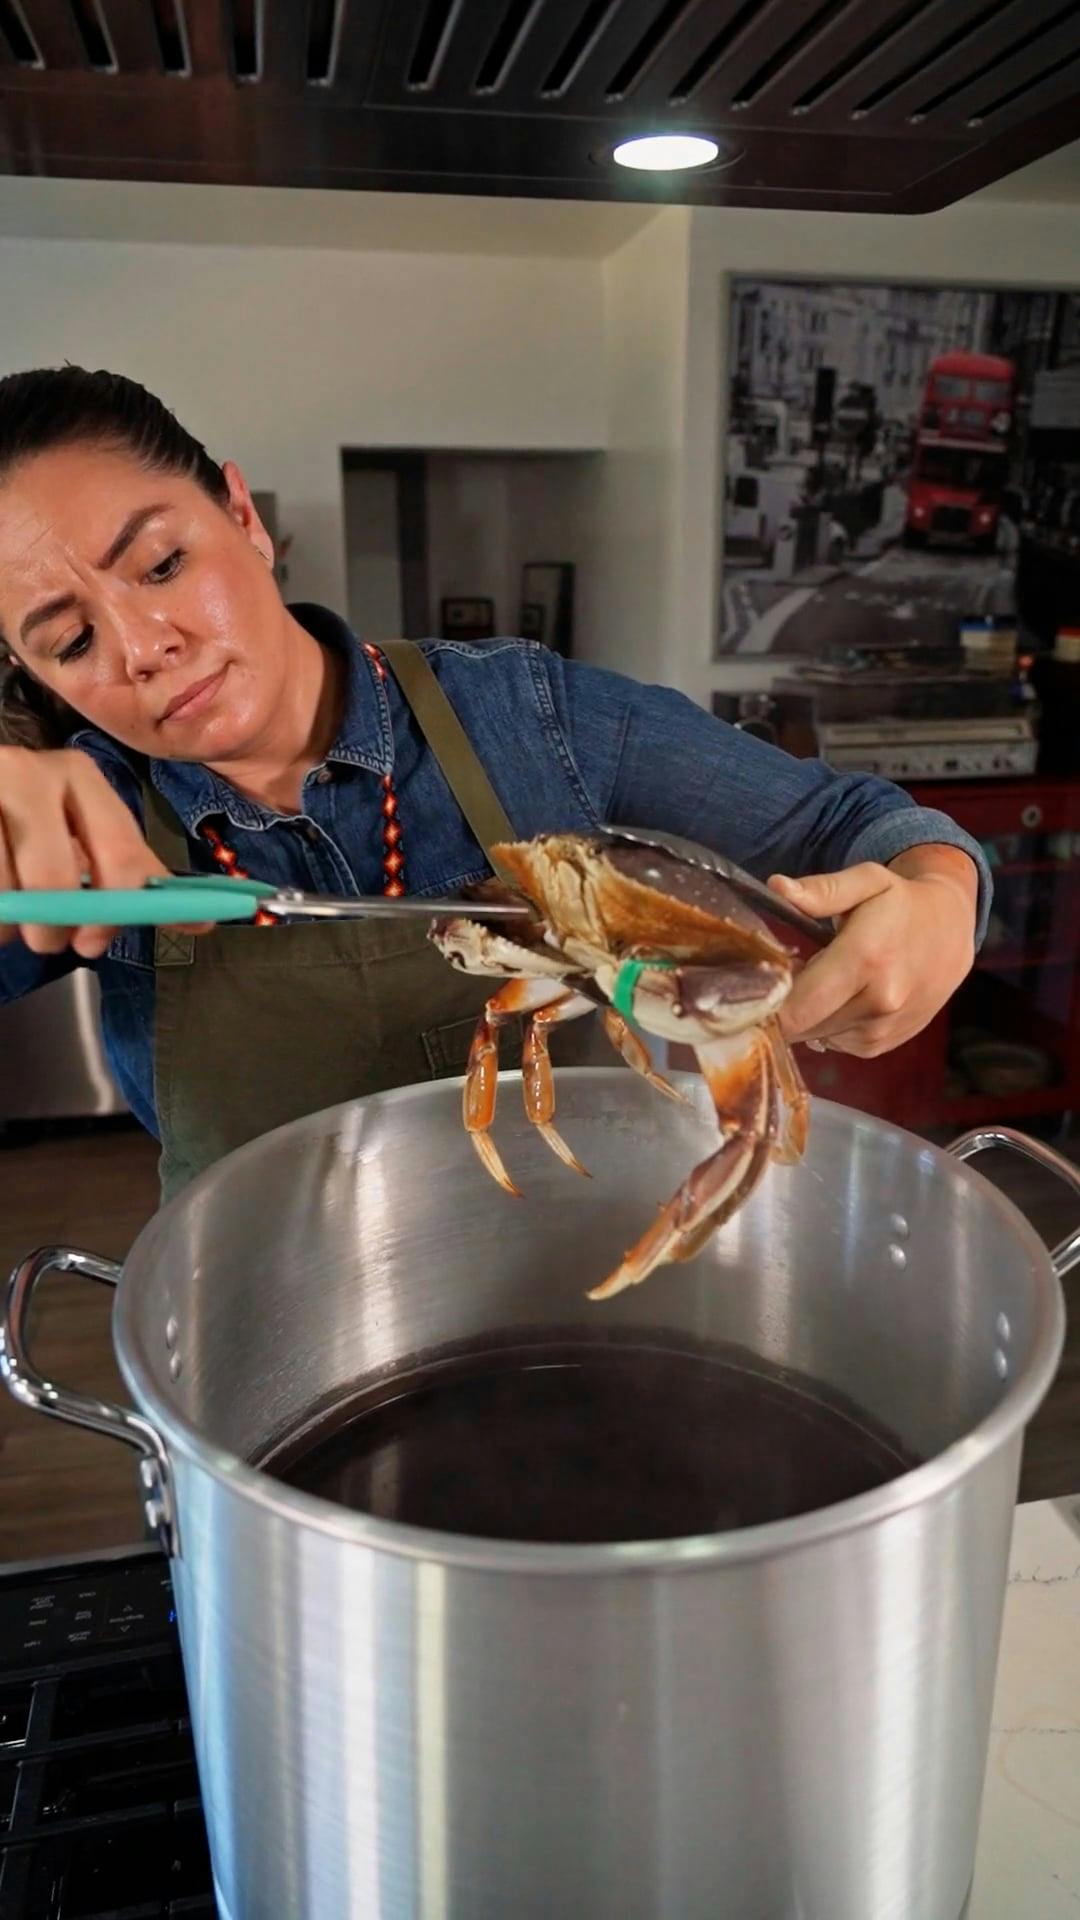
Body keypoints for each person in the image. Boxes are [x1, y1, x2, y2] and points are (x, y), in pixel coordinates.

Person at [0, 367, 988, 1199]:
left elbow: (851, 821)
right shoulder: (86, 833)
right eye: (73, 641)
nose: (143, 649)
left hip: (569, 1279)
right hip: (264, 1320)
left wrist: (937, 892)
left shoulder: (528, 717)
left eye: (162, 564)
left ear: (244, 517)